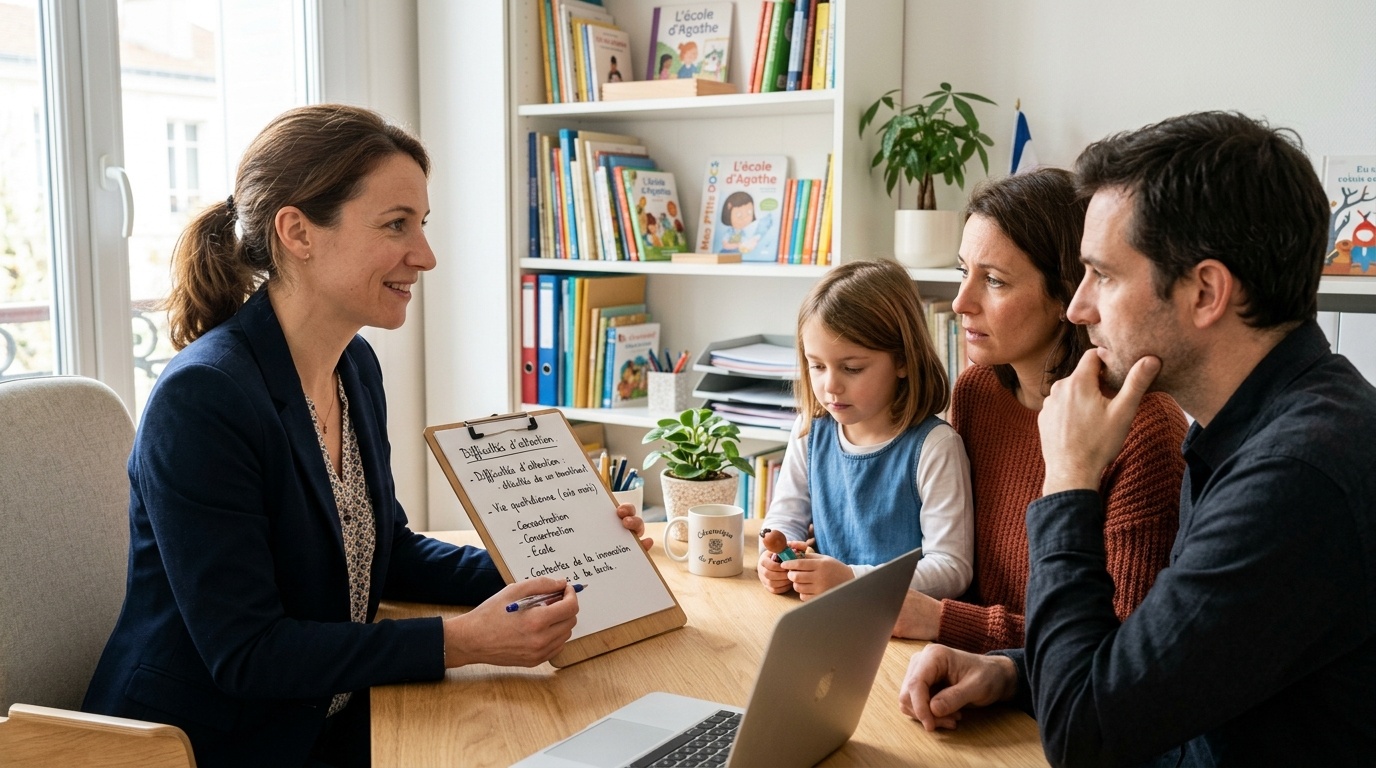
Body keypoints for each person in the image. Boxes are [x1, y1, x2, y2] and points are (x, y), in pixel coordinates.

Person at [81, 104, 651, 768]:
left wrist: (558, 558)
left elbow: (388, 555)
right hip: (204, 744)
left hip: (330, 717)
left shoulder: (353, 366)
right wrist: (461, 641)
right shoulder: (203, 399)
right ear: (297, 231)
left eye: (422, 225)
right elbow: (247, 653)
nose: (426, 255)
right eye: (396, 225)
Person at [899, 111, 1376, 765]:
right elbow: (1153, 666)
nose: (1078, 306)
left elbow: (1085, 734)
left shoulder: (1295, 476)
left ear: (1205, 290)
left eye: (1104, 275)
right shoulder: (1251, 425)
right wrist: (1013, 674)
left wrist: (1067, 481)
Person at [891, 168, 1186, 651]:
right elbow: (961, 565)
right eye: (964, 271)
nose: (961, 302)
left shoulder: (1142, 429)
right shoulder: (977, 391)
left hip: (1054, 708)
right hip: (961, 675)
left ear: (1067, 296)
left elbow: (1122, 645)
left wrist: (947, 622)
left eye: (996, 282)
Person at [757, 259, 974, 602]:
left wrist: (849, 579)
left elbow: (951, 569)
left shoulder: (935, 447)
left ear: (903, 360)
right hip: (825, 618)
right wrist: (772, 562)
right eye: (816, 366)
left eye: (852, 368)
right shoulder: (809, 430)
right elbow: (782, 521)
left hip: (900, 633)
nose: (831, 386)